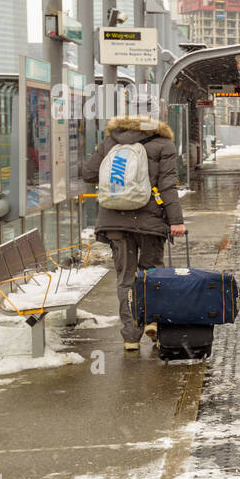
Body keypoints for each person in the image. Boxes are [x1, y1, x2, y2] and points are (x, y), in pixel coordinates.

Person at [81, 114, 186, 350]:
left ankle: (130, 336)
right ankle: (152, 321)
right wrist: (176, 221)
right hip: (150, 222)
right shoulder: (164, 144)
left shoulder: (111, 142)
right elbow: (168, 185)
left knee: (125, 279)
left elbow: (88, 174)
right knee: (152, 275)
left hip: (115, 221)